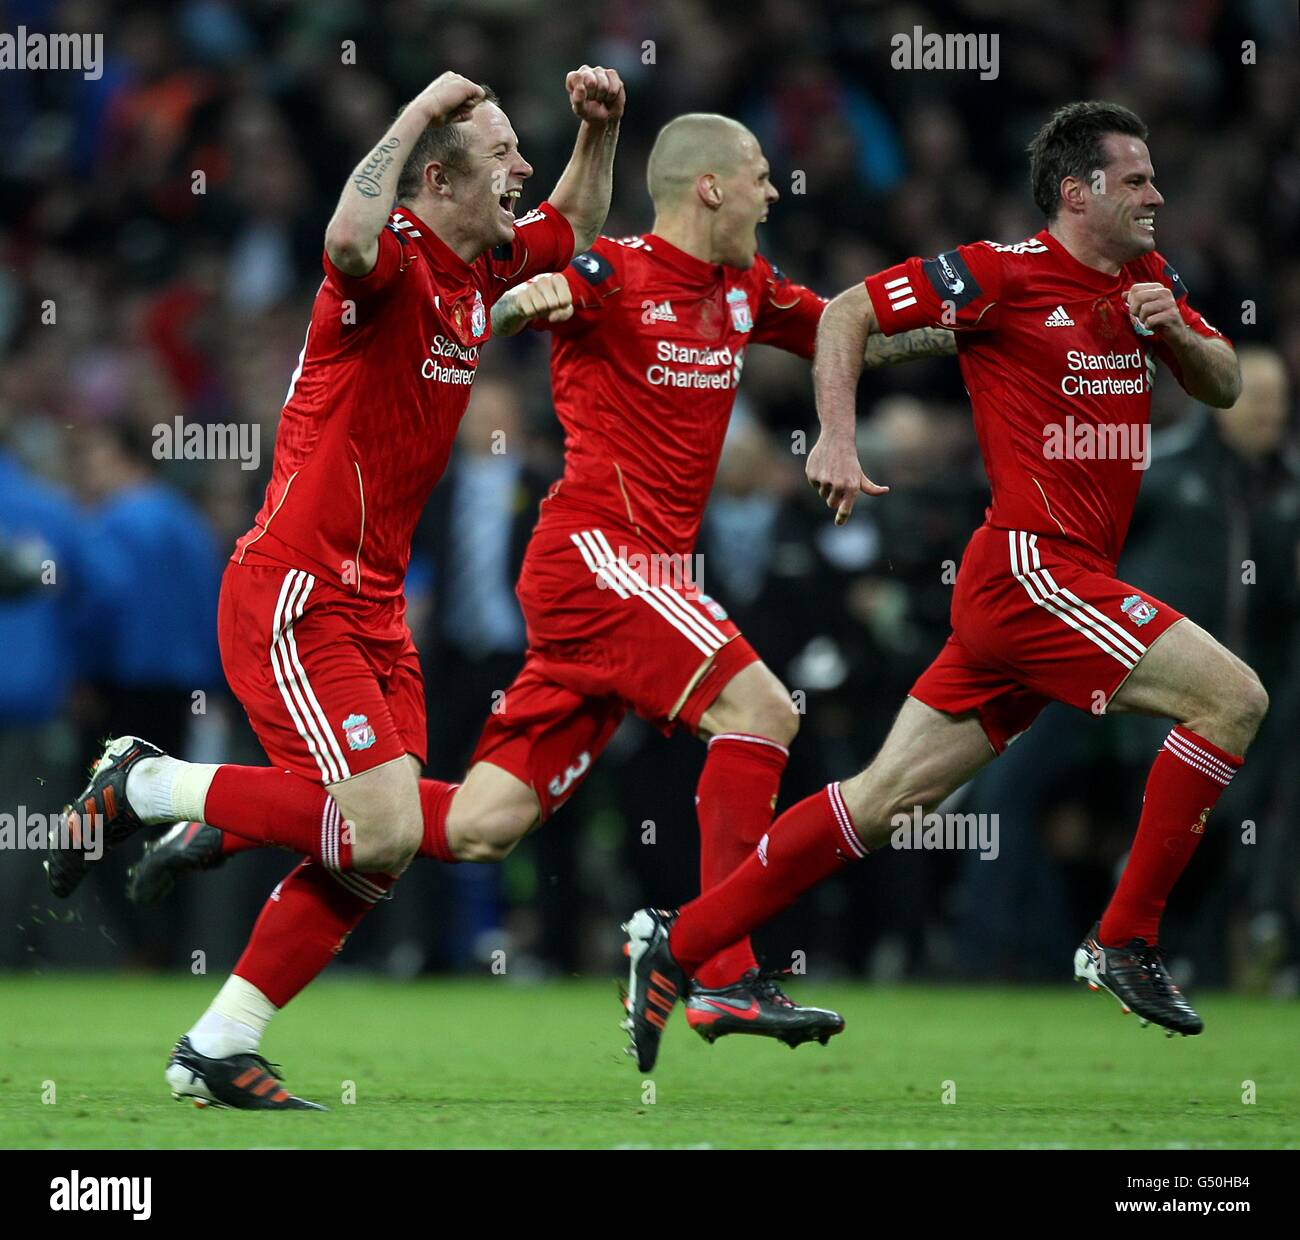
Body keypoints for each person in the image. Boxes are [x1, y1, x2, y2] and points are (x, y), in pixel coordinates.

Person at [128, 112, 955, 1050]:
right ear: (712, 186)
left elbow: (851, 333)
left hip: (624, 584)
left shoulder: (746, 290)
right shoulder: (615, 273)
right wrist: (524, 303)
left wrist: (974, 329)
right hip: (597, 558)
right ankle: (718, 970)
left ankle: (232, 826)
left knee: (479, 825)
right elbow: (524, 297)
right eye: (762, 175)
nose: (776, 192)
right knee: (764, 713)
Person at [622, 100, 1261, 1072]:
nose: (1155, 195)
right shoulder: (997, 274)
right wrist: (834, 436)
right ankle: (1124, 938)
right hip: (1031, 572)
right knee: (1232, 698)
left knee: (878, 801)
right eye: (1135, 180)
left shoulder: (1148, 280)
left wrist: (1176, 334)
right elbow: (848, 312)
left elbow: (1223, 386)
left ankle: (679, 944)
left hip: (1043, 588)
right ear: (1077, 191)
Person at [47, 65, 626, 1109]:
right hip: (295, 592)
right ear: (440, 177)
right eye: (504, 155)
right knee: (380, 824)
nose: (524, 170)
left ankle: (218, 1043)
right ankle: (145, 784)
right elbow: (344, 241)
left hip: (373, 608)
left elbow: (571, 225)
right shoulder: (392, 261)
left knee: (378, 846)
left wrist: (600, 130)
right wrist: (412, 112)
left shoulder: (481, 269)